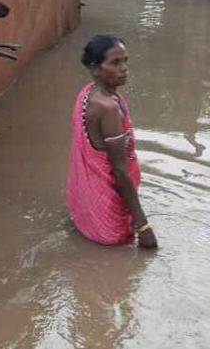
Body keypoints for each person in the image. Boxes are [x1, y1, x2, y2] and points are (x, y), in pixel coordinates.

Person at [67, 34, 158, 249]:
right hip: (108, 218)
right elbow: (120, 170)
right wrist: (143, 227)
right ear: (95, 69)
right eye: (115, 63)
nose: (124, 68)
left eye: (125, 61)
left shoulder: (88, 93)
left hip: (88, 204)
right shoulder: (107, 108)